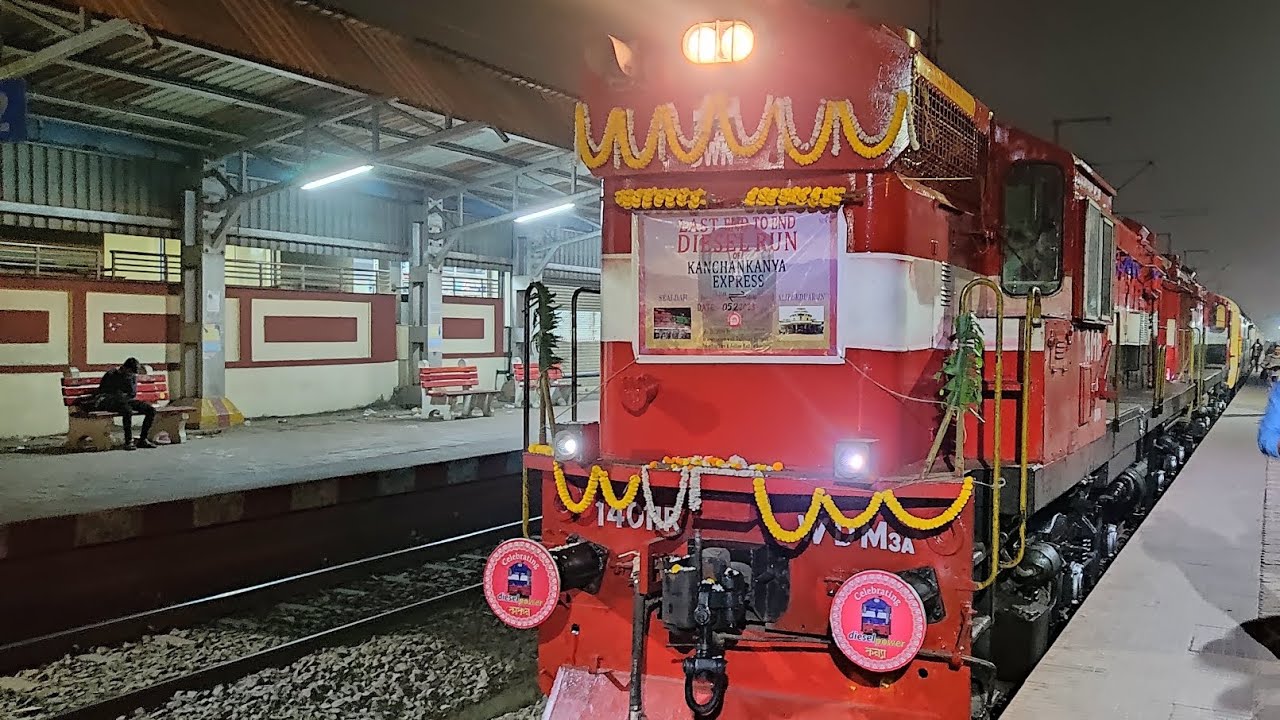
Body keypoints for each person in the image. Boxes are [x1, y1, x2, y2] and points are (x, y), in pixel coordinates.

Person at [89, 357, 157, 450]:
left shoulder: (131, 376)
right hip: (110, 401)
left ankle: (143, 439)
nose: (132, 375)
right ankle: (128, 441)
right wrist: (119, 396)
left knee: (150, 410)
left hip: (126, 400)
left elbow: (132, 393)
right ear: (125, 368)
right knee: (127, 410)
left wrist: (126, 390)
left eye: (133, 373)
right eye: (130, 372)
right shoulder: (111, 374)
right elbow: (104, 392)